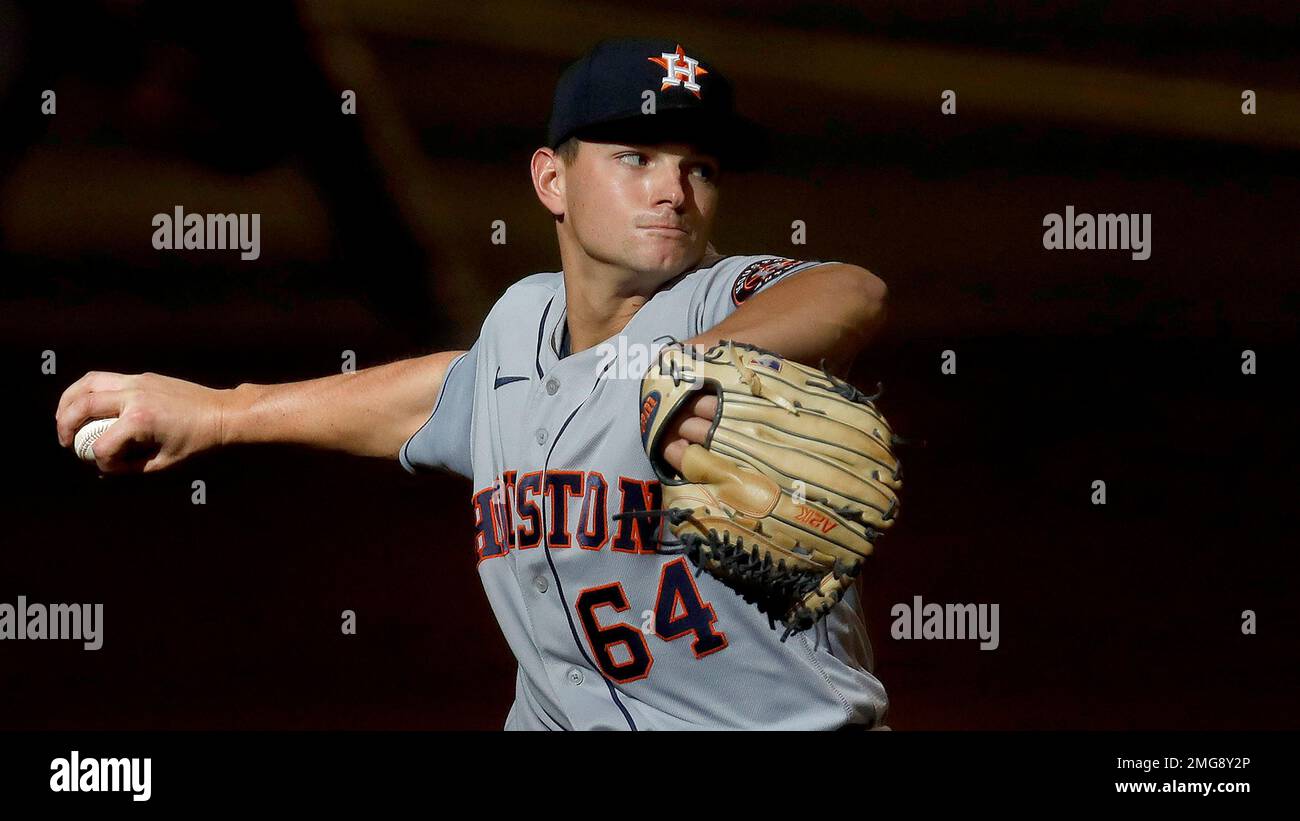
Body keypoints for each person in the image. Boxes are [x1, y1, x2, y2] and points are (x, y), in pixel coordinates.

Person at [56, 37, 890, 730]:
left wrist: (694, 366)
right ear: (551, 182)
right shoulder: (519, 325)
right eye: (636, 157)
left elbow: (849, 292)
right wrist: (223, 414)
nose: (673, 191)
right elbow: (452, 392)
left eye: (699, 167)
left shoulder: (723, 296)